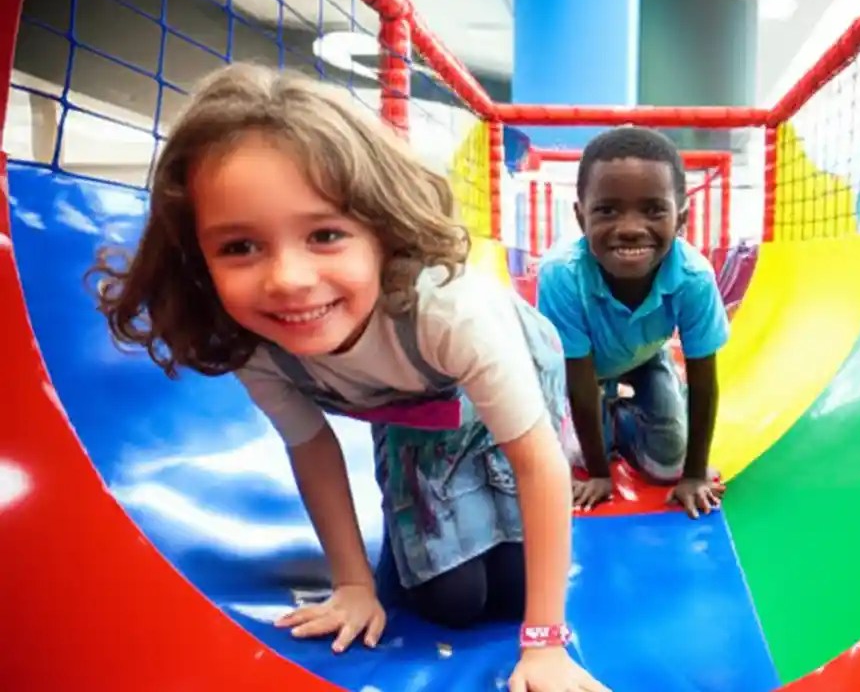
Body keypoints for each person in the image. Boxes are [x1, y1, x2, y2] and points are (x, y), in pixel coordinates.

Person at [88, 63, 607, 692]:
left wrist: (545, 643)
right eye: (240, 247)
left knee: (520, 587)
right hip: (409, 411)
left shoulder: (447, 310)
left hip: (507, 374)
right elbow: (312, 446)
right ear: (197, 257)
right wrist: (354, 585)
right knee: (454, 600)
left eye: (326, 234)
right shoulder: (257, 340)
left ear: (383, 234)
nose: (288, 280)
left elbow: (537, 463)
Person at [535, 126, 729, 518]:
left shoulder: (693, 278)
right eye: (606, 210)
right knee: (573, 454)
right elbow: (578, 378)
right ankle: (608, 420)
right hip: (584, 371)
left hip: (646, 357)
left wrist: (693, 475)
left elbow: (705, 379)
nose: (629, 228)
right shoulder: (562, 275)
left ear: (681, 220)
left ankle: (625, 418)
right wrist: (599, 472)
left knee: (666, 468)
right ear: (580, 216)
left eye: (654, 209)